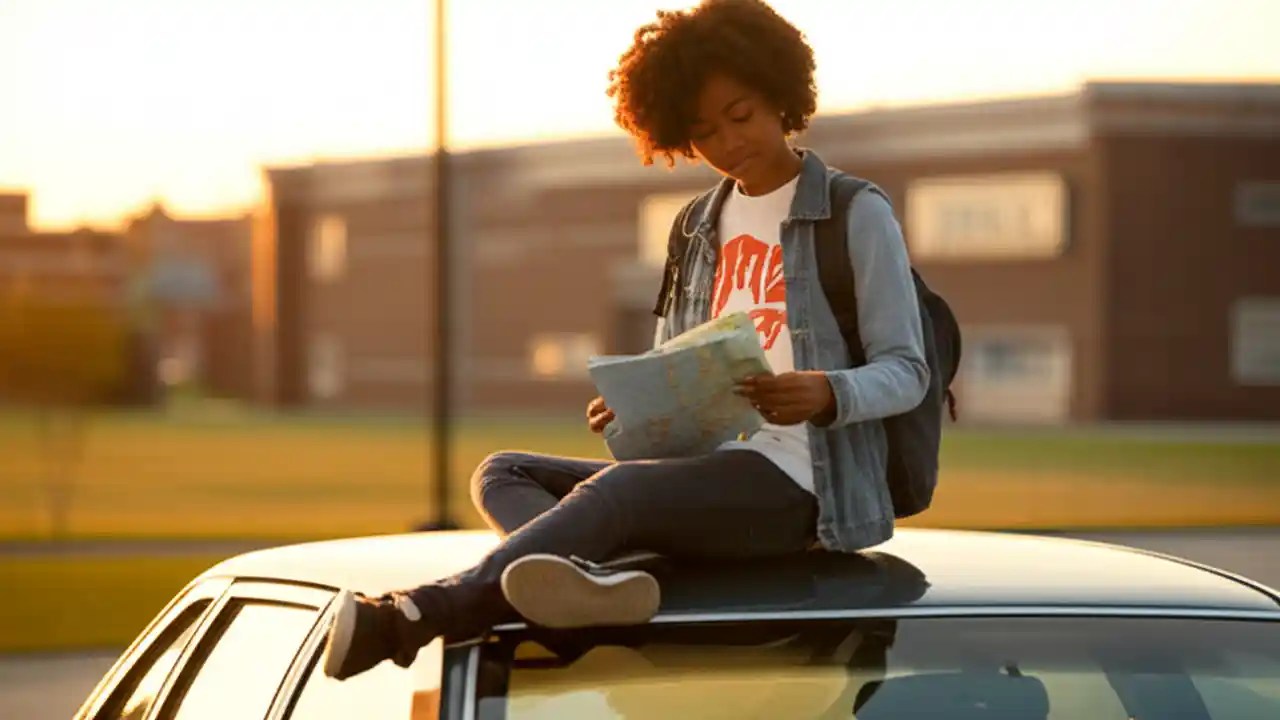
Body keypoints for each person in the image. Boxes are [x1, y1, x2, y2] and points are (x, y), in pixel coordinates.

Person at [321, 0, 928, 681]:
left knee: (618, 497)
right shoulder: (698, 223)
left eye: (742, 115)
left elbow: (908, 370)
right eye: (703, 132)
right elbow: (676, 360)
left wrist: (826, 391)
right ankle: (601, 587)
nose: (729, 143)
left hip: (805, 487)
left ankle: (414, 617)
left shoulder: (853, 211)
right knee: (503, 471)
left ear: (783, 97)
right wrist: (635, 401)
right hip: (701, 473)